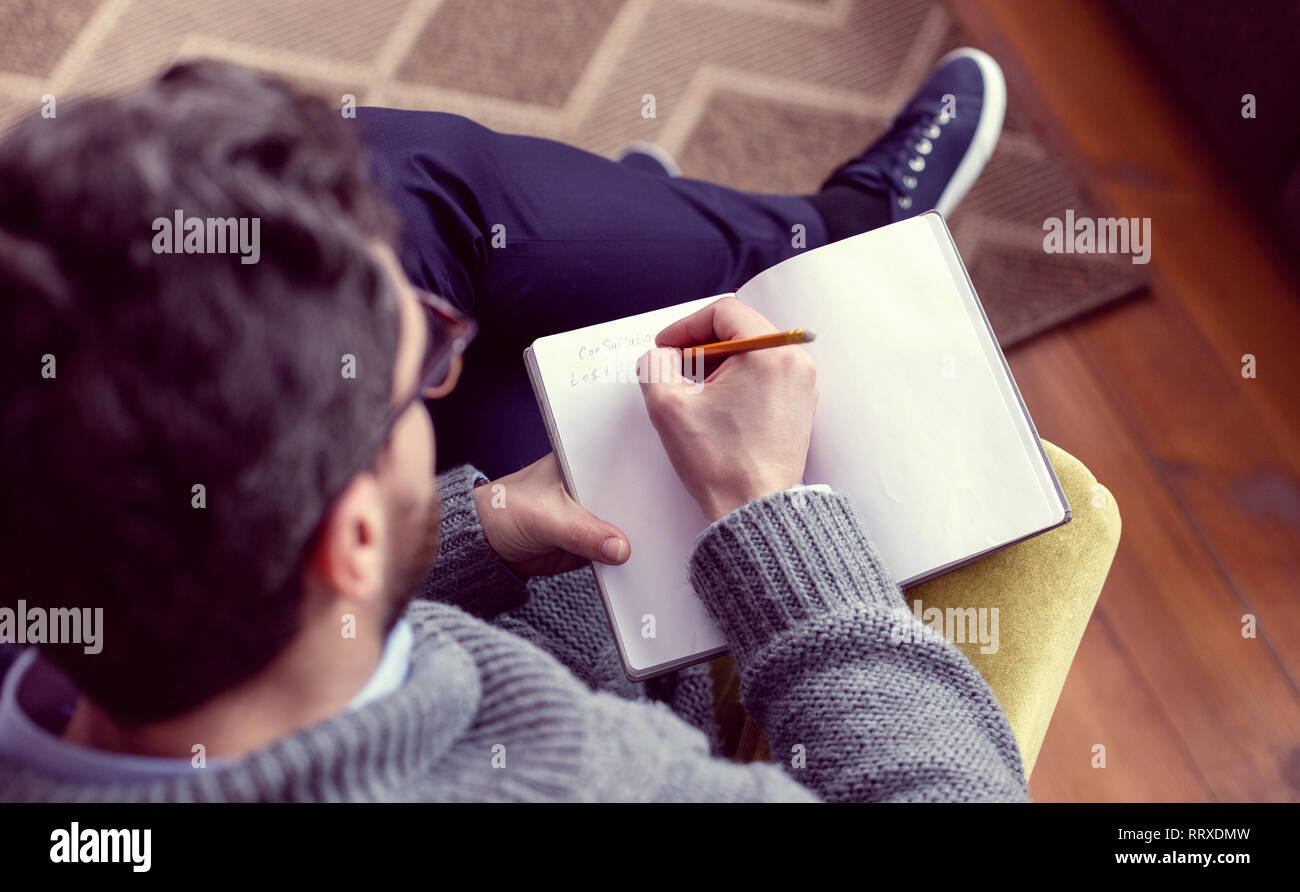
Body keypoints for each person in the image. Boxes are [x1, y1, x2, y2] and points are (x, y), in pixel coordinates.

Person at [0, 51, 1027, 801]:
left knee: (400, 193)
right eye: (421, 377)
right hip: (583, 661)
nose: (433, 385)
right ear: (350, 541)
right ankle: (785, 227)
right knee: (476, 224)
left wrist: (482, 522)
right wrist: (769, 516)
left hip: (400, 611)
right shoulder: (589, 783)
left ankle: (683, 226)